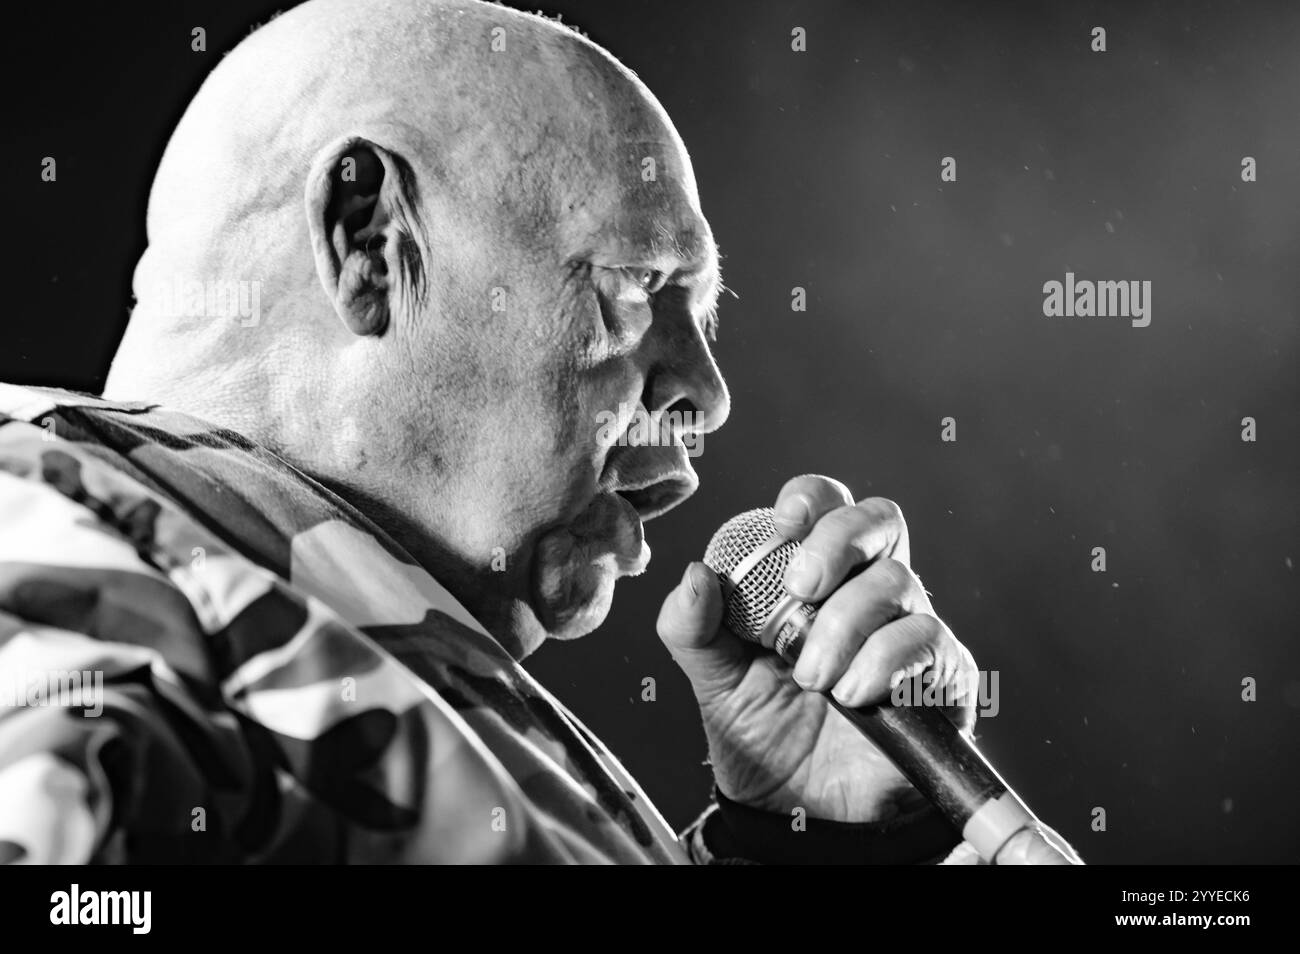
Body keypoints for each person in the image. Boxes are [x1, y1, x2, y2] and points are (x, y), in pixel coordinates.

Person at [0, 0, 1077, 864]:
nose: (706, 392)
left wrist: (802, 842)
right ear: (369, 240)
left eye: (700, 319)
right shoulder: (47, 551)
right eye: (634, 285)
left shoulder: (289, 624)